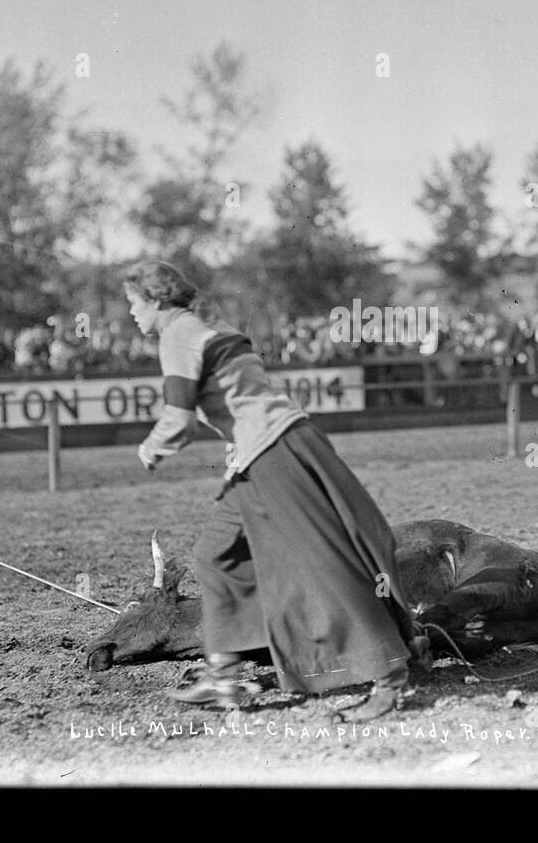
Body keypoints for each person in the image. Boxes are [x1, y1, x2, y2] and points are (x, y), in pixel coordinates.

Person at [124, 260, 427, 719]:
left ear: (157, 300)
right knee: (215, 556)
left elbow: (179, 420)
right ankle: (223, 676)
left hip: (273, 451)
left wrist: (149, 449)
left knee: (324, 562)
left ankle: (391, 677)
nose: (130, 313)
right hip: (261, 452)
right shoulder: (207, 325)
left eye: (133, 302)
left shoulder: (176, 333)